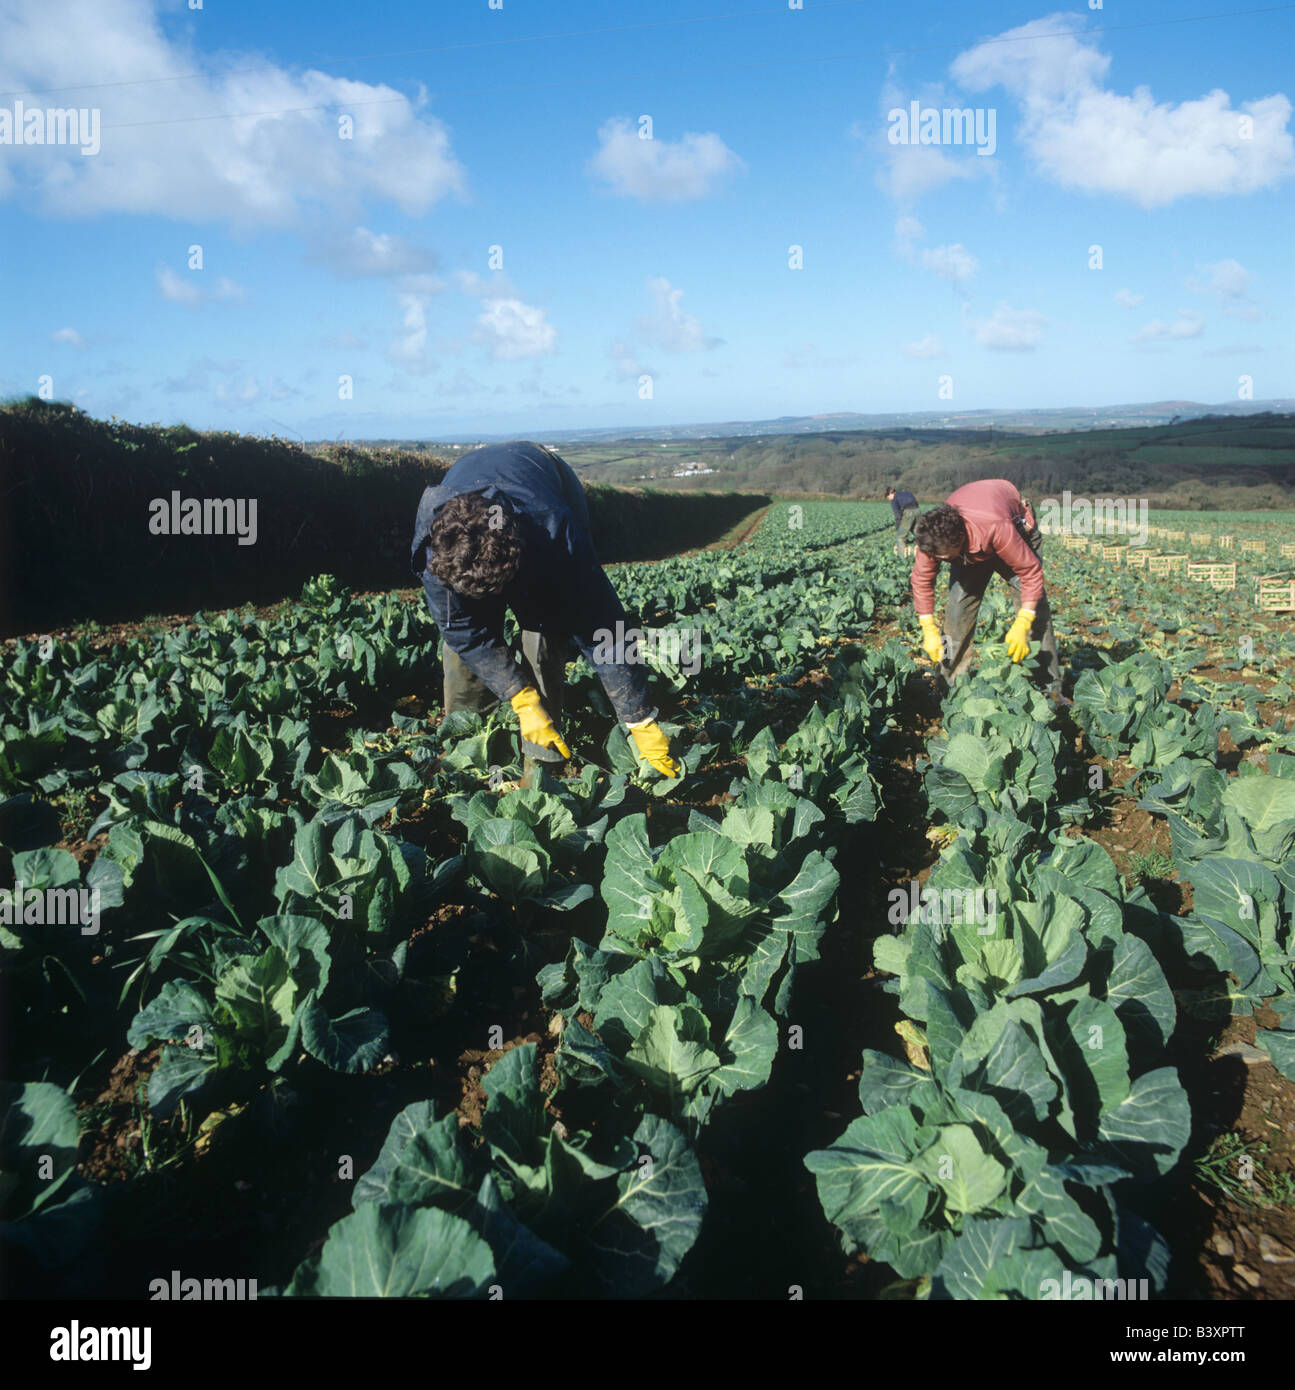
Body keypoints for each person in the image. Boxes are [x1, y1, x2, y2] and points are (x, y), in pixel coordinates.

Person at [410, 440, 681, 782]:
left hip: (545, 481)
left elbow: (602, 627)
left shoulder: (553, 531)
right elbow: (465, 633)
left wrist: (638, 718)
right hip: (476, 491)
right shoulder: (436, 551)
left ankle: (540, 767)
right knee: (461, 653)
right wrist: (520, 697)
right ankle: (470, 762)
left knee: (544, 634)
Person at [911, 479, 1060, 693]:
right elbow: (922, 580)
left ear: (958, 541)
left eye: (942, 556)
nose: (937, 559)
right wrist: (927, 626)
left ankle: (1049, 687)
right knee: (957, 611)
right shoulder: (932, 538)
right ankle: (948, 686)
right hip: (971, 543)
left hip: (1012, 531)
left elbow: (1030, 572)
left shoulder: (997, 527)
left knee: (1034, 609)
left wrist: (1024, 620)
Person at [886, 486, 920, 554]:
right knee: (918, 531)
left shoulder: (894, 499)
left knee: (900, 537)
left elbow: (897, 515)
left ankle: (901, 557)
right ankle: (924, 549)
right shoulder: (907, 493)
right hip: (918, 510)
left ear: (890, 494)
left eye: (888, 497)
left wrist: (899, 528)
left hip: (908, 512)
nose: (889, 499)